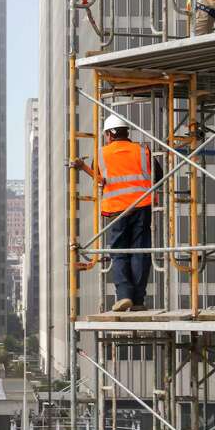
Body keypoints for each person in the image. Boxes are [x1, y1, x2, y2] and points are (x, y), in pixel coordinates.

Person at [73, 114, 158, 312]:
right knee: (139, 252)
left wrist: (82, 166)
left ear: (110, 134)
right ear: (126, 133)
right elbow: (158, 176)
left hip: (116, 210)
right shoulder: (142, 151)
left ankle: (124, 295)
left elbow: (101, 181)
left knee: (119, 253)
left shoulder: (102, 155)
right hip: (142, 207)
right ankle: (137, 300)